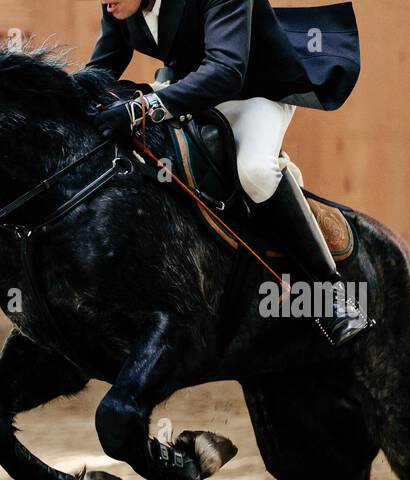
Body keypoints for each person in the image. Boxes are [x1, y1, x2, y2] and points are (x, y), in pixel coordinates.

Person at [85, 0, 366, 345]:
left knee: (255, 171)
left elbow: (226, 71)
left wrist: (139, 109)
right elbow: (106, 61)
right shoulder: (118, 6)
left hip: (253, 90)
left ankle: (332, 295)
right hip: (186, 91)